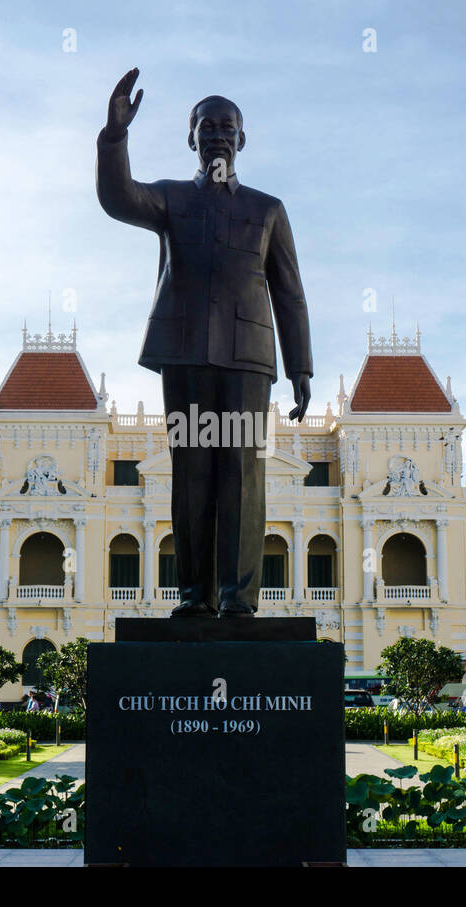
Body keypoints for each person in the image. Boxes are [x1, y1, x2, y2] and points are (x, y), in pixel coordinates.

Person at [96, 68, 313, 618]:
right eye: (206, 125)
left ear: (242, 139)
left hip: (248, 361)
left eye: (227, 126)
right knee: (191, 474)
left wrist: (300, 368)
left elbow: (290, 292)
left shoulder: (268, 209)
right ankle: (195, 597)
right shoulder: (169, 199)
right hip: (186, 353)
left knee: (242, 476)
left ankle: (239, 601)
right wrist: (114, 136)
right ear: (191, 137)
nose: (217, 134)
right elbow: (119, 198)